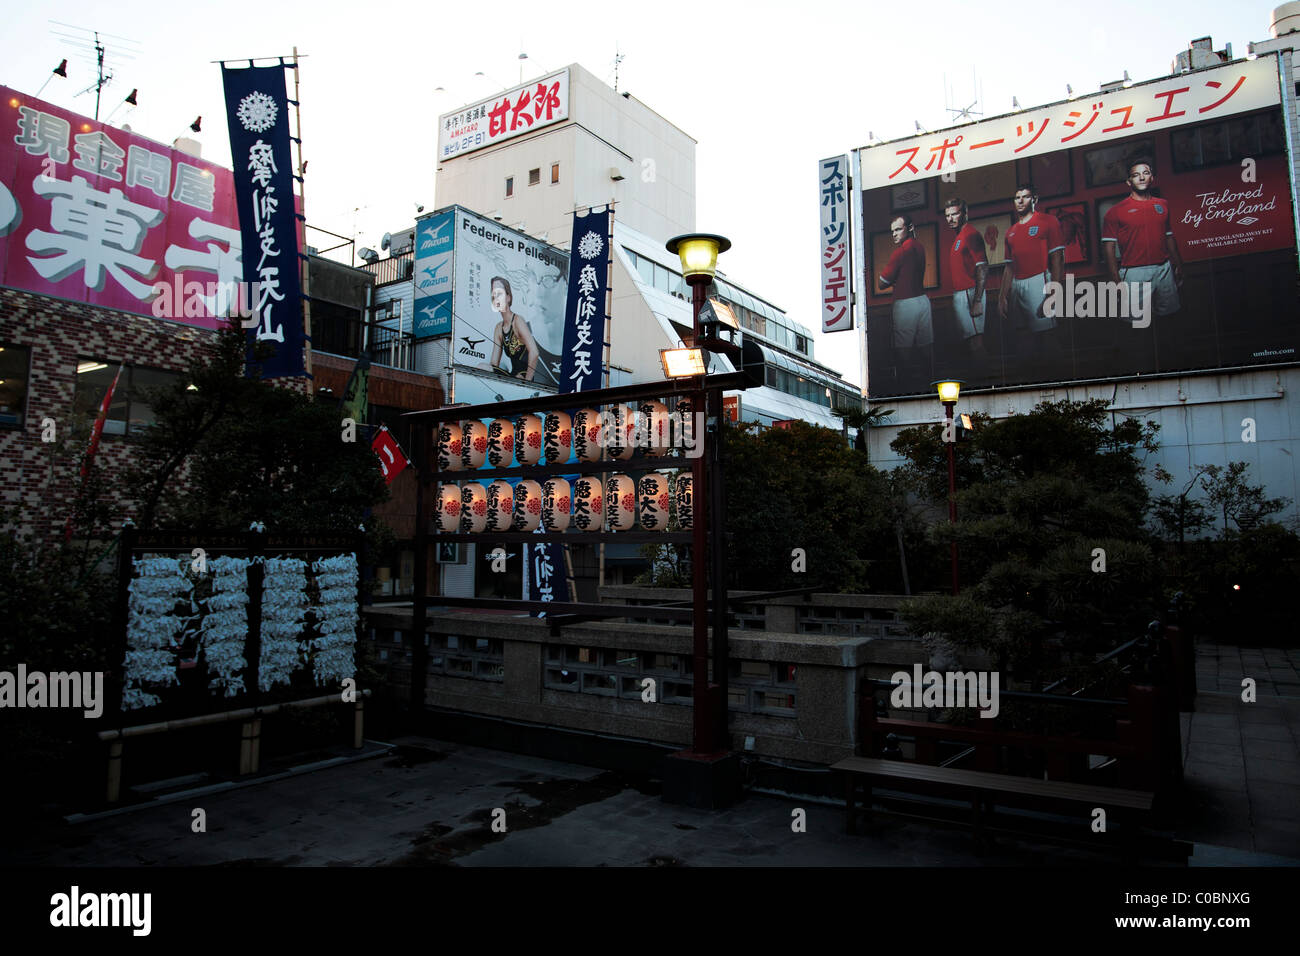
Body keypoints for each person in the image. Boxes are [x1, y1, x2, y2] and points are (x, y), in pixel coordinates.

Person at [1102, 156, 1183, 322]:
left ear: (1152, 178)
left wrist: (1178, 265)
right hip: (1134, 272)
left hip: (1163, 269)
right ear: (1129, 182)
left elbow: (1169, 237)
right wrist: (1116, 280)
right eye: (1136, 174)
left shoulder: (1163, 204)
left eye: (1146, 173)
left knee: (1169, 320)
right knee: (1137, 324)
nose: (1141, 177)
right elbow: (1108, 248)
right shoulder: (1116, 211)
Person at [998, 184, 1065, 335]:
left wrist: (1053, 295)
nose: (1020, 201)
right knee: (1022, 336)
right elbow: (1009, 268)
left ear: (1034, 199)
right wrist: (1002, 297)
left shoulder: (1048, 221)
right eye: (1017, 198)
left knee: (1047, 336)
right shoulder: (1010, 232)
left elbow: (1058, 259)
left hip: (1039, 281)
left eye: (1025, 197)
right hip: (1016, 285)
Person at [879, 215, 932, 351]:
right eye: (892, 231)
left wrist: (895, 280)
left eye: (897, 230)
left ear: (910, 228)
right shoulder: (920, 247)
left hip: (905, 303)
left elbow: (881, 283)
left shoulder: (900, 252)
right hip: (923, 300)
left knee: (903, 350)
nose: (894, 234)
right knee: (926, 346)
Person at [944, 197, 988, 354]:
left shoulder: (971, 234)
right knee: (970, 342)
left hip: (971, 293)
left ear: (965, 213)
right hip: (960, 294)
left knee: (976, 342)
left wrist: (977, 300)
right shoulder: (959, 237)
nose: (950, 219)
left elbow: (982, 267)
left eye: (955, 214)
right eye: (948, 215)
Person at [486, 276, 539, 381]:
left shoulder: (518, 321)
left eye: (499, 293)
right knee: (482, 368)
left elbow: (535, 352)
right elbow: (493, 364)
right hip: (512, 376)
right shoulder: (498, 328)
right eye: (493, 293)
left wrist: (527, 383)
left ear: (508, 297)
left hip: (524, 377)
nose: (496, 297)